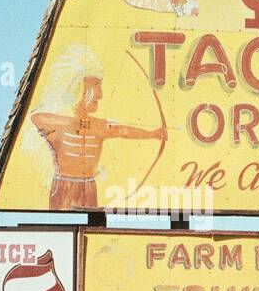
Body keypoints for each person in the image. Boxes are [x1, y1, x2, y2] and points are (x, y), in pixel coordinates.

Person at [31, 75, 162, 210]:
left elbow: (123, 130)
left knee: (91, 223)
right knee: (60, 224)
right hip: (64, 184)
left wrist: (152, 134)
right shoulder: (59, 124)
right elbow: (35, 117)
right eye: (94, 93)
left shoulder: (98, 126)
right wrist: (75, 122)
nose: (99, 97)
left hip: (88, 186)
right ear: (80, 95)